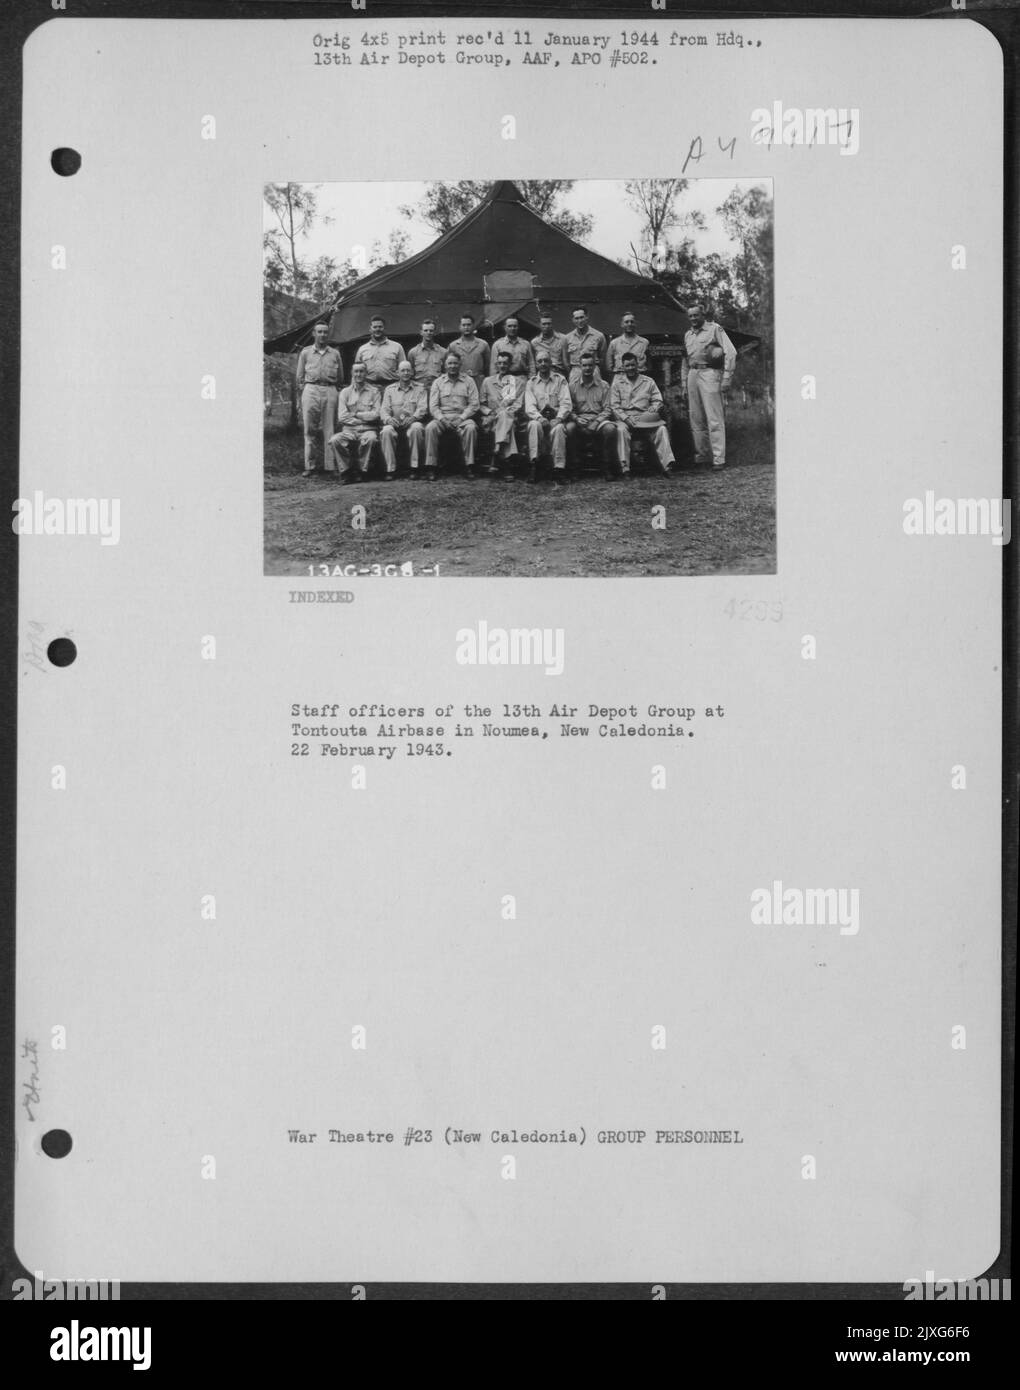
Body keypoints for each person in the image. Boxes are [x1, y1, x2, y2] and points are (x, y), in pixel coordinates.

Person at [681, 303, 737, 469]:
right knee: (696, 418)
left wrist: (726, 378)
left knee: (714, 417)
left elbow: (731, 352)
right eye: (690, 316)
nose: (693, 318)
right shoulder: (688, 335)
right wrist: (684, 383)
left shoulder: (714, 329)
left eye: (696, 315)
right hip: (693, 374)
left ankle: (719, 459)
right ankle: (702, 456)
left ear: (702, 315)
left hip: (710, 373)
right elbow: (685, 360)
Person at [609, 352, 675, 478]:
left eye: (633, 365)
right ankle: (625, 469)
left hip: (646, 418)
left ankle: (667, 466)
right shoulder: (617, 383)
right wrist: (626, 418)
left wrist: (653, 409)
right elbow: (614, 406)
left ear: (637, 364)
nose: (630, 368)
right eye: (627, 365)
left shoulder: (648, 381)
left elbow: (658, 400)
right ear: (623, 367)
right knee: (621, 430)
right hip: (626, 418)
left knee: (661, 429)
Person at [295, 320, 344, 475]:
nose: (322, 335)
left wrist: (334, 389)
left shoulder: (335, 353)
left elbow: (341, 377)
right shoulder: (306, 353)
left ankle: (330, 466)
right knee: (309, 429)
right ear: (314, 334)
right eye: (319, 332)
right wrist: (305, 390)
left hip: (330, 389)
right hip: (311, 389)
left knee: (330, 428)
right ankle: (310, 466)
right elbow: (299, 377)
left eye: (325, 332)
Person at [425, 352, 480, 480]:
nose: (453, 366)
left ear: (460, 364)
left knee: (471, 428)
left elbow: (474, 404)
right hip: (443, 417)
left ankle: (469, 466)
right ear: (445, 365)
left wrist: (461, 418)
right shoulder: (438, 382)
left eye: (455, 363)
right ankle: (431, 466)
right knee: (430, 428)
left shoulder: (469, 381)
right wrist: (443, 420)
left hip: (463, 417)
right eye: (450, 363)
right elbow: (433, 407)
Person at [566, 352, 616, 479]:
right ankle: (575, 467)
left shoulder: (604, 385)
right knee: (569, 428)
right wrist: (576, 419)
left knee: (610, 429)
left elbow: (608, 409)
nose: (587, 368)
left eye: (590, 365)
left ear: (594, 367)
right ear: (580, 367)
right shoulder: (572, 386)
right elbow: (568, 408)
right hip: (580, 420)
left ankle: (607, 466)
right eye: (584, 365)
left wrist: (597, 421)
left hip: (598, 420)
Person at [329, 361, 382, 483]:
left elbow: (376, 414)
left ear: (366, 373)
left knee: (371, 439)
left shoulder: (374, 392)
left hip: (368, 430)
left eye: (361, 371)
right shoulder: (345, 392)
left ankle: (362, 471)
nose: (358, 374)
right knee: (335, 440)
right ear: (352, 373)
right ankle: (346, 471)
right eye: (356, 371)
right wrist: (363, 419)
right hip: (349, 430)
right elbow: (342, 417)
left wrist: (356, 414)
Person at [524, 350, 571, 484]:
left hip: (556, 418)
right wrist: (539, 418)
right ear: (536, 364)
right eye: (540, 361)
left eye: (546, 360)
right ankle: (534, 465)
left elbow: (566, 403)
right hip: (539, 419)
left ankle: (559, 469)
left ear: (550, 362)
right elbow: (530, 405)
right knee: (533, 425)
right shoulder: (531, 382)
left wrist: (559, 418)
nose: (543, 364)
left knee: (559, 429)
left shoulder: (560, 380)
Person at [480, 350, 526, 478]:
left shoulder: (518, 382)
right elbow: (481, 404)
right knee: (506, 424)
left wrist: (503, 413)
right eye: (499, 363)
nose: (502, 366)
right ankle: (506, 465)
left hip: (512, 418)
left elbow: (518, 404)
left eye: (505, 363)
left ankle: (497, 451)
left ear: (510, 365)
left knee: (505, 417)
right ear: (496, 364)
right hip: (491, 419)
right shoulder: (487, 382)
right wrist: (490, 412)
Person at [379, 361, 428, 479]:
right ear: (397, 373)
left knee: (417, 428)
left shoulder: (420, 388)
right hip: (395, 423)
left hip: (412, 422)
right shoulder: (390, 389)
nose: (406, 373)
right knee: (386, 431)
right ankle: (390, 469)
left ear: (412, 372)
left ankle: (414, 468)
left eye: (408, 370)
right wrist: (389, 419)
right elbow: (384, 409)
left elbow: (422, 407)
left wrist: (414, 418)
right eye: (403, 370)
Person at [353, 316, 406, 389]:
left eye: (380, 327)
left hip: (392, 387)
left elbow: (404, 369)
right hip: (369, 388)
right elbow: (356, 371)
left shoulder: (397, 347)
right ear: (370, 329)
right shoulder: (362, 349)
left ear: (384, 328)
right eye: (375, 327)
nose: (377, 329)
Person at [446, 314, 490, 390]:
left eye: (469, 325)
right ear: (459, 327)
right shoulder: (453, 346)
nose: (466, 327)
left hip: (478, 382)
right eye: (464, 325)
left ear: (473, 326)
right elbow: (448, 366)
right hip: (459, 382)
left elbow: (488, 366)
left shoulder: (483, 344)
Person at [565, 305, 607, 384]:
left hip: (593, 371)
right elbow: (566, 361)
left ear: (587, 317)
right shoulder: (567, 338)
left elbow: (602, 358)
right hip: (575, 371)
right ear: (573, 320)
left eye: (582, 317)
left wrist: (594, 368)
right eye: (576, 318)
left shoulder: (599, 336)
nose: (580, 321)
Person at [407, 319, 447, 394]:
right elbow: (410, 374)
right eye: (425, 330)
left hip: (438, 389)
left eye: (431, 331)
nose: (428, 333)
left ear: (435, 332)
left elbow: (446, 373)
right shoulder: (413, 352)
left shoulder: (443, 352)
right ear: (421, 332)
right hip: (419, 390)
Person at [605, 312, 650, 377]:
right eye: (626, 322)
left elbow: (649, 364)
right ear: (622, 324)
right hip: (620, 377)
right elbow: (609, 367)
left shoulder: (644, 342)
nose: (629, 324)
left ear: (635, 324)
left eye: (632, 322)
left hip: (640, 377)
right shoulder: (614, 343)